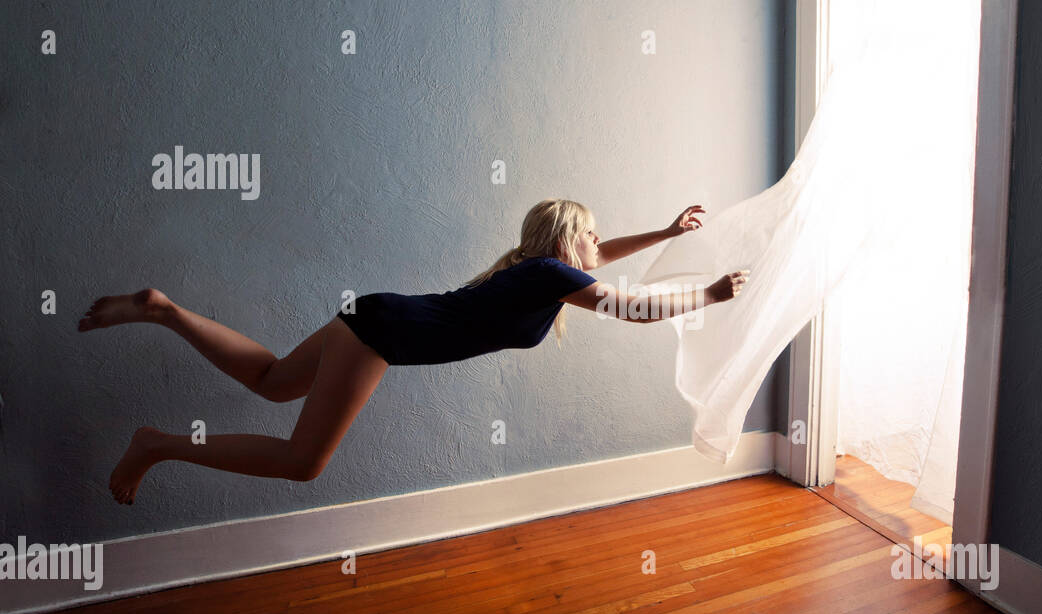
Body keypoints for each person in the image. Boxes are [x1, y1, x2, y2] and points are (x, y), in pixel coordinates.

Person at [78, 198, 749, 503]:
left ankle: (163, 311)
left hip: (376, 316)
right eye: (591, 236)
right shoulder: (546, 278)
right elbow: (632, 309)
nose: (598, 248)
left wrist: (664, 231)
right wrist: (710, 294)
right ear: (565, 241)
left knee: (274, 380)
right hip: (383, 332)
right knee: (303, 463)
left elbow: (601, 259)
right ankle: (156, 444)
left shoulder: (534, 272)